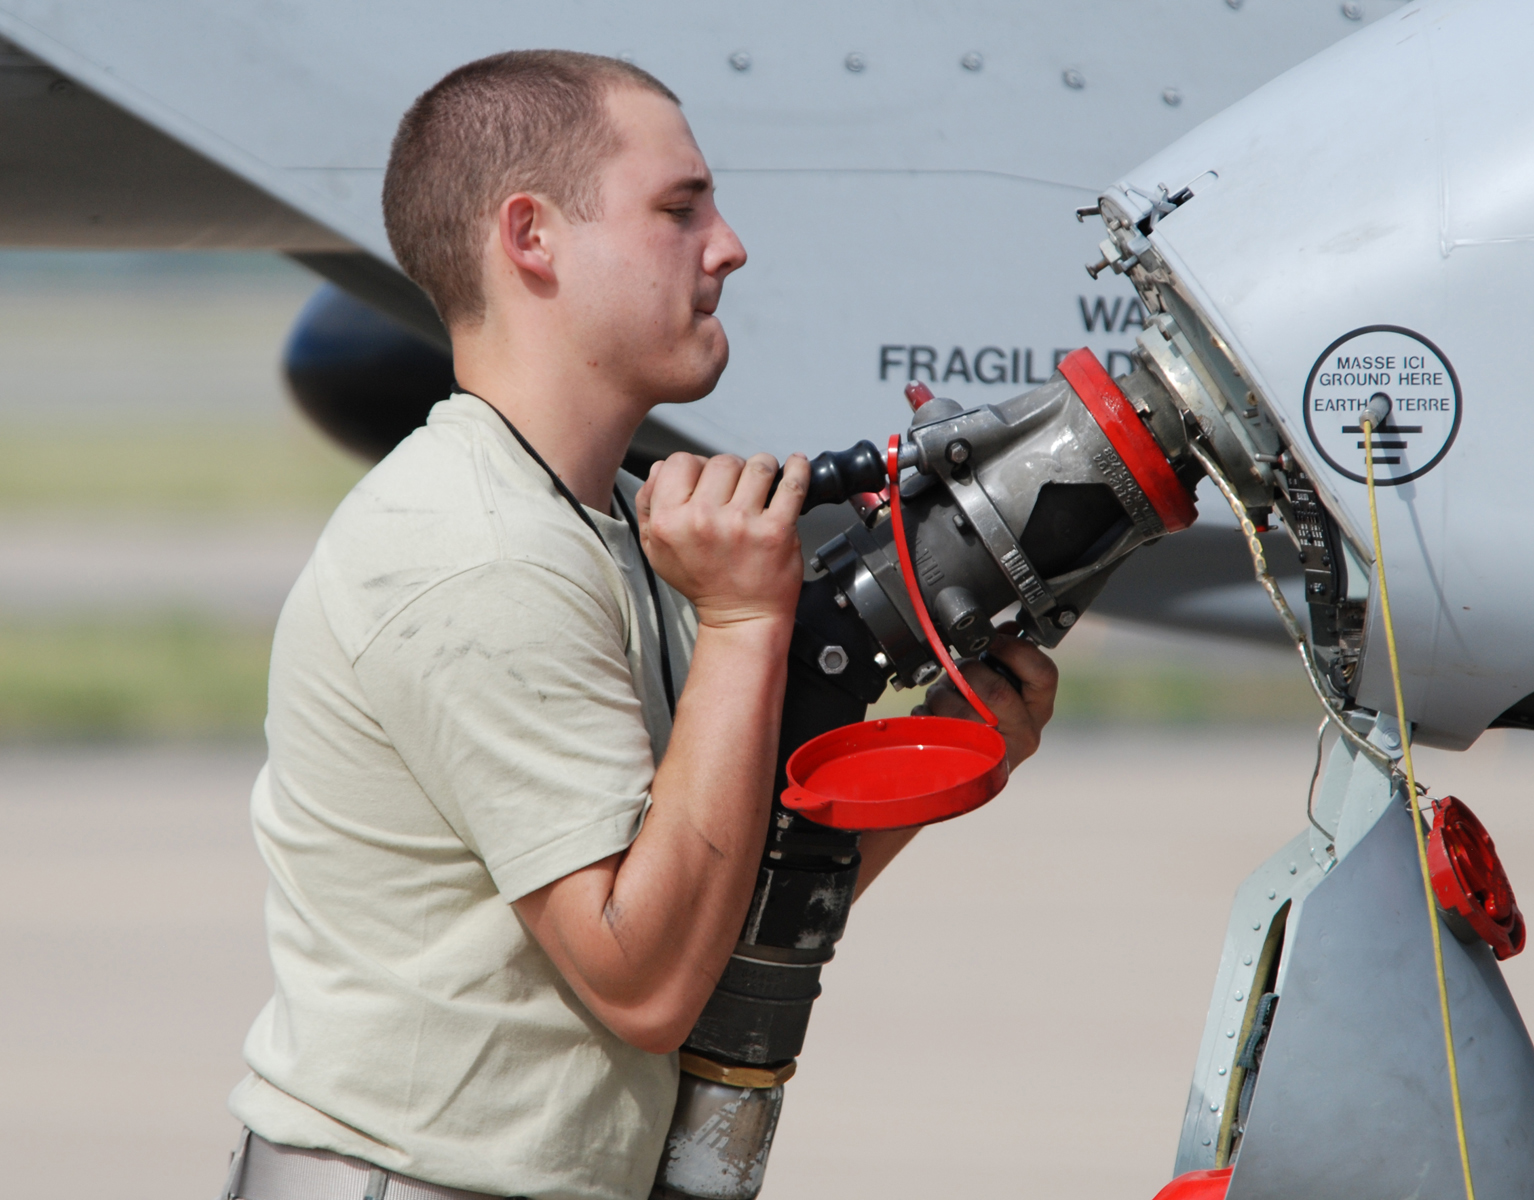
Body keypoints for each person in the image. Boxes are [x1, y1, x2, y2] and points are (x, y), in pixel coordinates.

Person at [218, 50, 1057, 1200]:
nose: (730, 245)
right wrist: (748, 619)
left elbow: (701, 902)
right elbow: (648, 983)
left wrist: (957, 760)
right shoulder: (477, 552)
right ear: (532, 238)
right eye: (679, 208)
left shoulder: (606, 520)